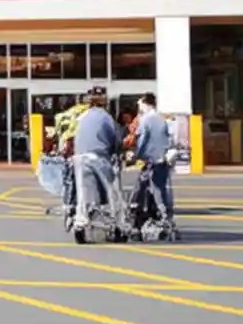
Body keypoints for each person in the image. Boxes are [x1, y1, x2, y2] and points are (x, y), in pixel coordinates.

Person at [70, 87, 125, 230]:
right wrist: (118, 152)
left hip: (80, 157)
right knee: (112, 189)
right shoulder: (106, 117)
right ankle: (119, 222)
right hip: (98, 156)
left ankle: (81, 221)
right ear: (104, 101)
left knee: (83, 192)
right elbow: (116, 140)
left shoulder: (83, 117)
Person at [132, 93, 176, 230]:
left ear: (145, 104)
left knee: (144, 189)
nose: (139, 109)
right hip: (162, 159)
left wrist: (136, 155)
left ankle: (143, 216)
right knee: (160, 189)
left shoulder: (146, 119)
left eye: (140, 106)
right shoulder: (162, 119)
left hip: (151, 160)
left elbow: (142, 140)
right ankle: (164, 215)